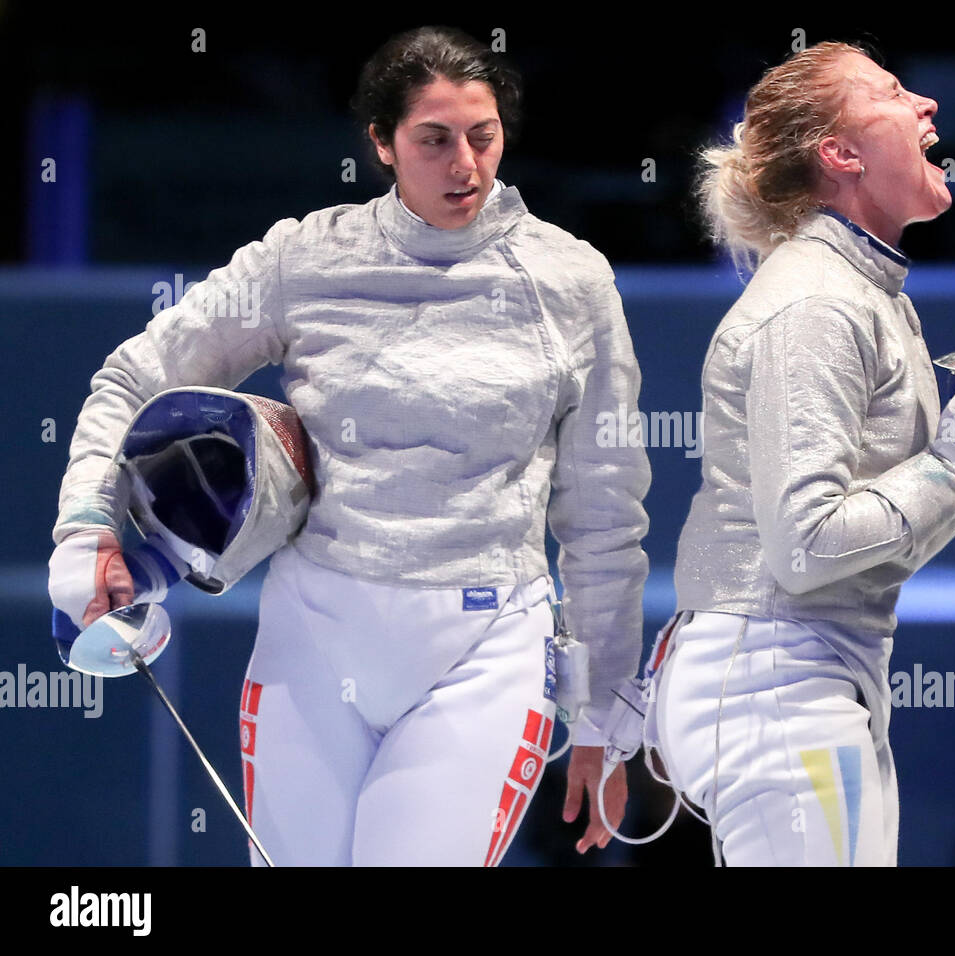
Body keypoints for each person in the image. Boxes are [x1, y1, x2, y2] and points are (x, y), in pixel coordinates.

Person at [45, 25, 651, 866]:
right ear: (381, 143)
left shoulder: (570, 281)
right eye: (433, 141)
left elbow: (604, 513)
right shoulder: (307, 259)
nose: (466, 166)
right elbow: (130, 378)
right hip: (314, 640)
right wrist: (84, 524)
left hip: (483, 650)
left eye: (483, 138)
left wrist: (605, 712)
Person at [644, 39, 955, 866]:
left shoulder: (866, 297)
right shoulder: (817, 303)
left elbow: (869, 555)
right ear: (840, 153)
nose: (927, 106)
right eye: (894, 93)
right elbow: (808, 542)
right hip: (773, 682)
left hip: (805, 677)